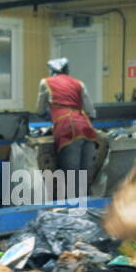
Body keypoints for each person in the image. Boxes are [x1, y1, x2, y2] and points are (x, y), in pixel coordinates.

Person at [35, 57, 103, 199]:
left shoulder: (46, 82)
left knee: (71, 178)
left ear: (52, 71)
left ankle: (73, 216)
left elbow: (40, 110)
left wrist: (47, 115)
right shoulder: (79, 83)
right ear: (67, 70)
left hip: (68, 130)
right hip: (87, 130)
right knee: (84, 178)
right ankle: (86, 213)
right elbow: (90, 110)